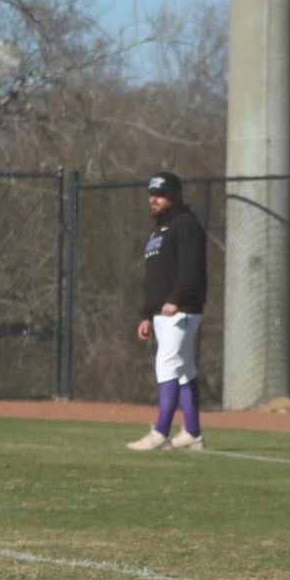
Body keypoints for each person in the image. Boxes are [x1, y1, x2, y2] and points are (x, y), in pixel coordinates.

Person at [126, 172, 209, 451]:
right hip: (163, 312)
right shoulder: (159, 229)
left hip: (180, 310)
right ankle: (192, 433)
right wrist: (146, 315)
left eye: (160, 195)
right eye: (151, 195)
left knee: (166, 365)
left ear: (175, 196)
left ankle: (160, 433)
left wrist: (176, 299)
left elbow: (191, 269)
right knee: (184, 370)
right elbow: (154, 278)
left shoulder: (185, 225)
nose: (153, 199)